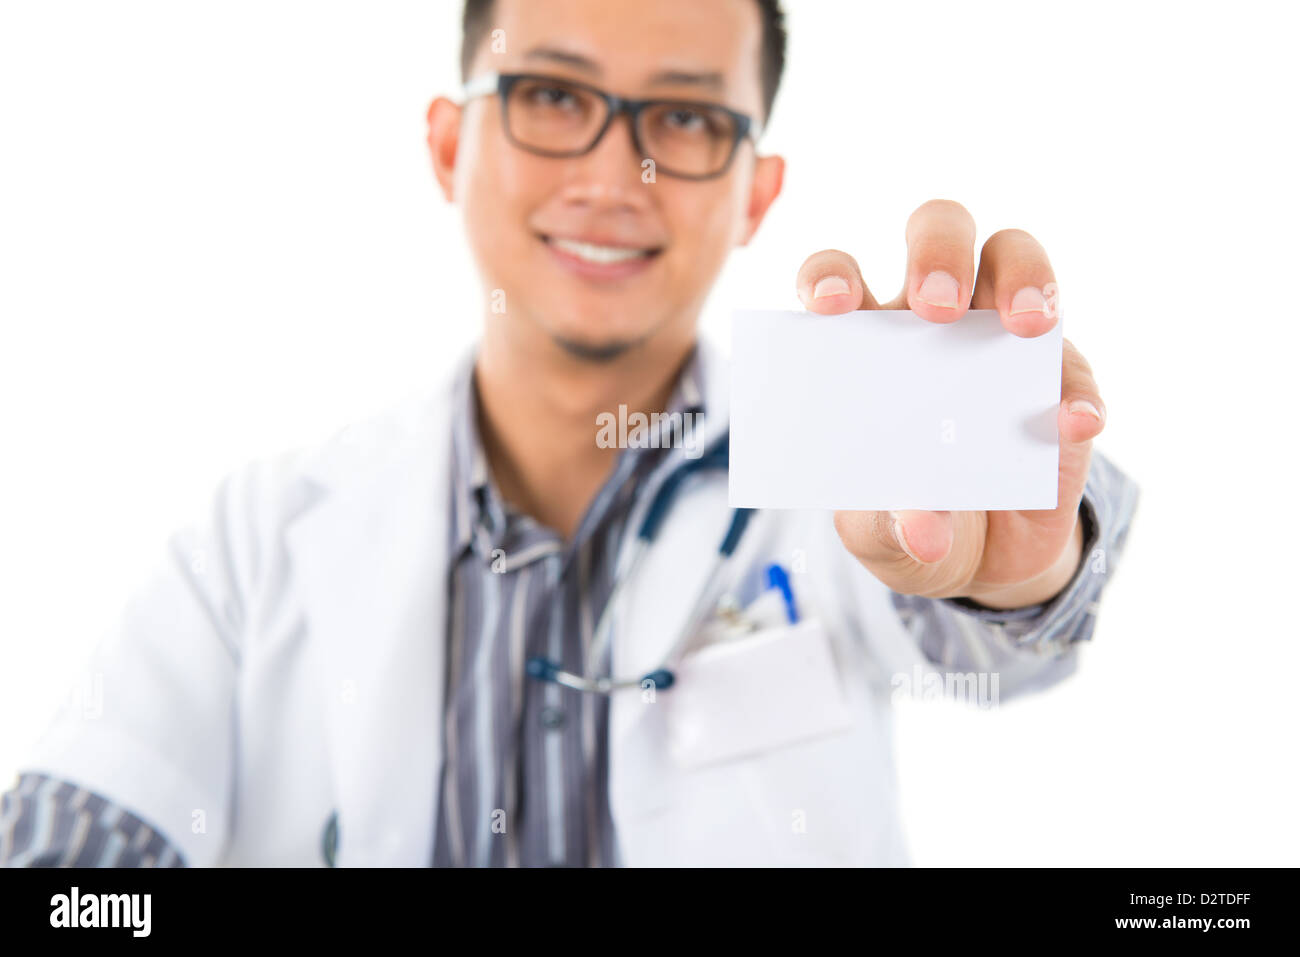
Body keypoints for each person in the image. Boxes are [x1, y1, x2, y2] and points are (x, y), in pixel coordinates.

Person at [0, 0, 1137, 867]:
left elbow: (982, 635)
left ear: (754, 193)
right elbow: (73, 852)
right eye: (550, 94)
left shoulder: (838, 467)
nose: (612, 175)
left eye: (687, 117)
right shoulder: (257, 541)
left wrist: (1015, 569)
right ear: (450, 146)